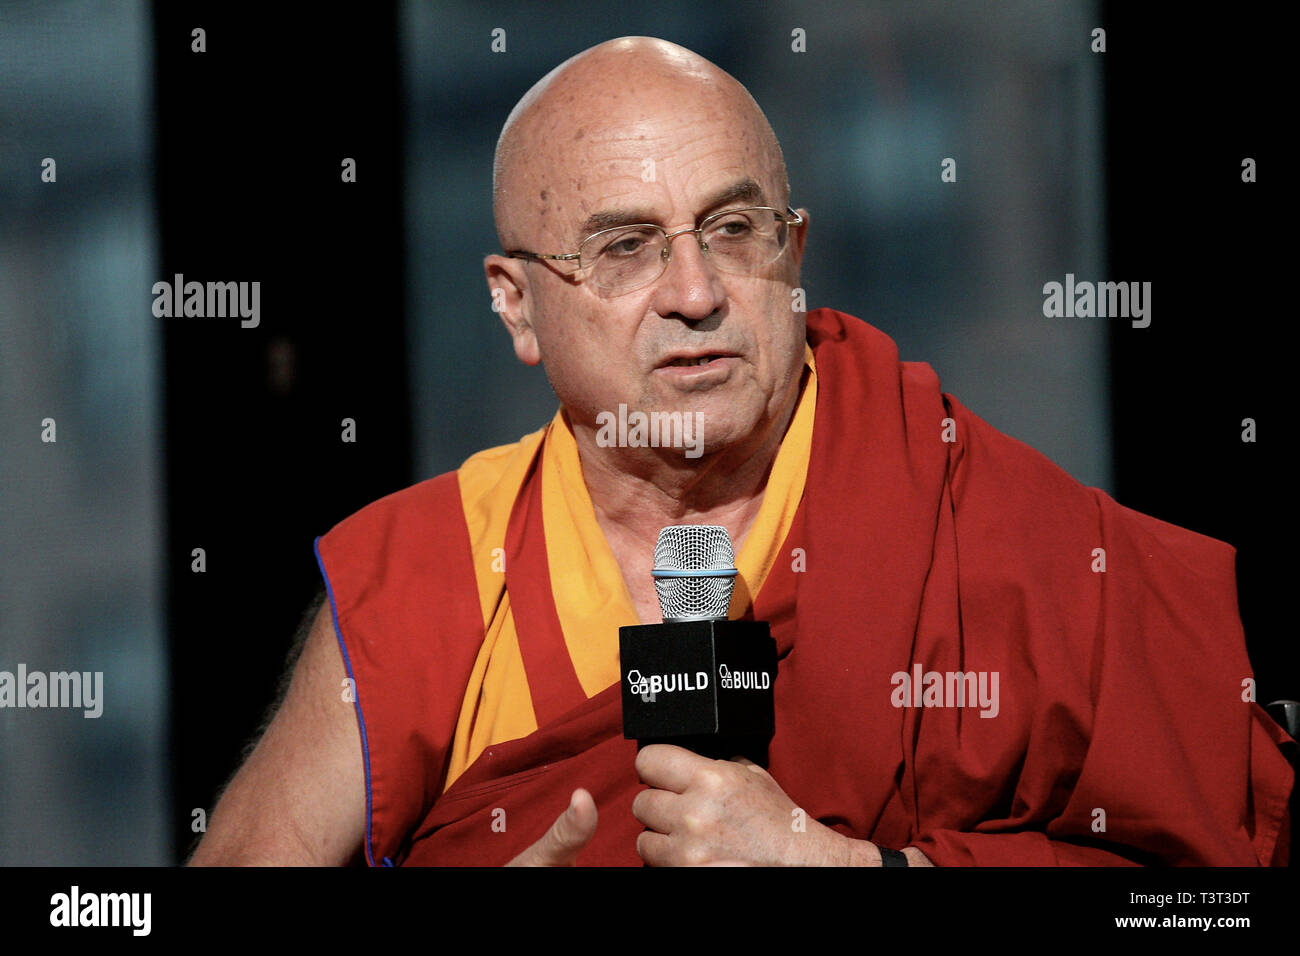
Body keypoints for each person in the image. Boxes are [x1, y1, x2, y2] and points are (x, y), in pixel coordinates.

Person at [188, 36, 1293, 867]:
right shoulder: (429, 574)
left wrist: (861, 869)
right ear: (516, 306)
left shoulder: (978, 520)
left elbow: (1223, 882)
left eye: (733, 229)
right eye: (623, 248)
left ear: (794, 252)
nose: (696, 292)